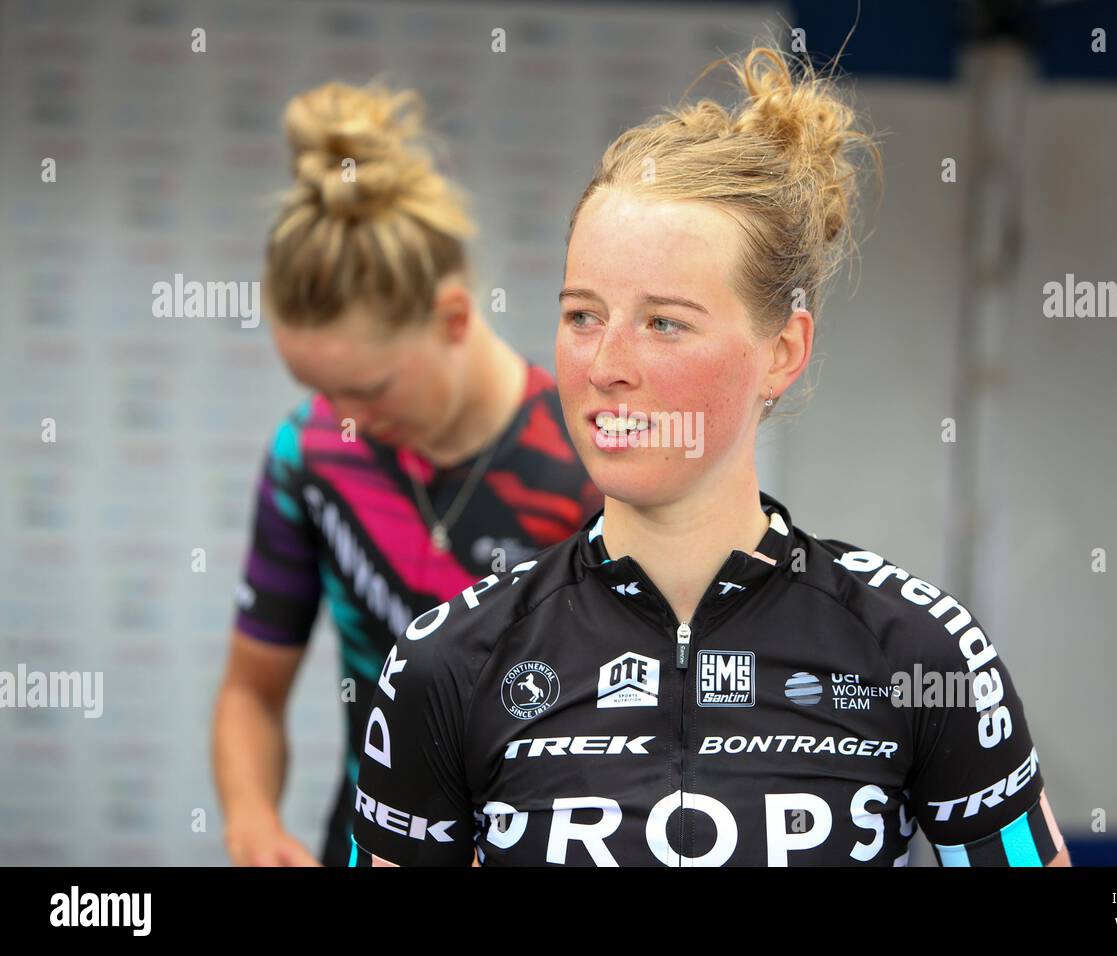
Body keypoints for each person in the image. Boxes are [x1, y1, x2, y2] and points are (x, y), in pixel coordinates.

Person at [349, 47, 1070, 867]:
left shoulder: (920, 653)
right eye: (584, 315)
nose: (606, 363)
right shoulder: (447, 663)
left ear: (782, 350)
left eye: (665, 322)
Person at [212, 81, 601, 867]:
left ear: (455, 317)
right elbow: (252, 689)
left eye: (369, 387)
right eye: (319, 388)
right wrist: (251, 822)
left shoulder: (588, 467)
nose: (342, 411)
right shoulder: (313, 455)